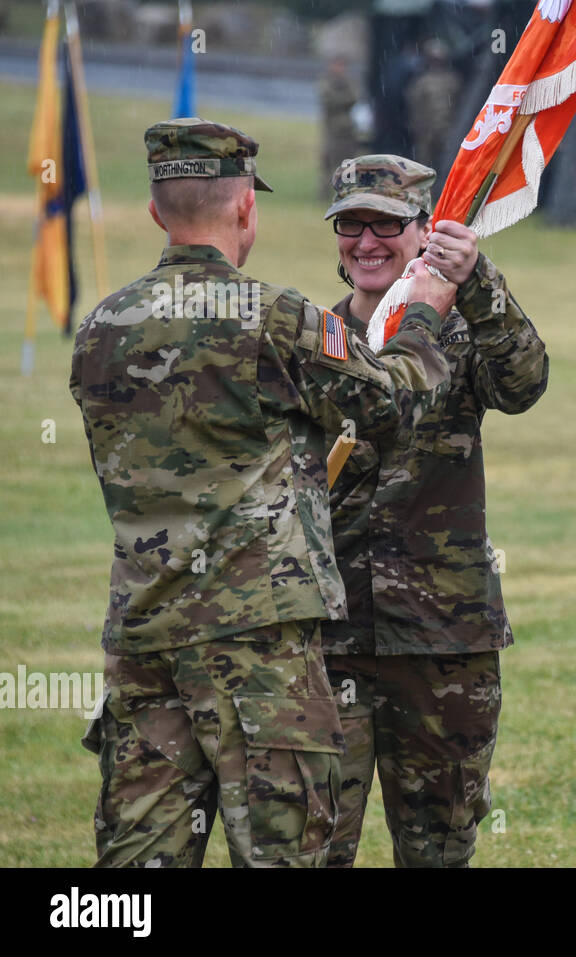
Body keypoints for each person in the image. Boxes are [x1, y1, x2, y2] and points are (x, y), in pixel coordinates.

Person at [69, 118, 456, 867]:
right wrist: (425, 314)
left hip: (145, 637)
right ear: (247, 207)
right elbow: (389, 407)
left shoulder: (99, 329)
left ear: (156, 211)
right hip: (262, 652)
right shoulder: (276, 318)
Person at [320, 155, 548, 867]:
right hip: (330, 639)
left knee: (438, 849)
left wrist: (476, 281)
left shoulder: (458, 333)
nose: (366, 242)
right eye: (350, 224)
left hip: (443, 639)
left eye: (385, 224)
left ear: (424, 230)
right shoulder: (310, 340)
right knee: (313, 844)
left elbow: (524, 381)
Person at [405, 39, 461, 172]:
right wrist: (419, 127)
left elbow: (459, 104)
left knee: (449, 163)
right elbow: (414, 106)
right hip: (426, 131)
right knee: (424, 165)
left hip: (448, 129)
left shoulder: (452, 80)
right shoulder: (421, 82)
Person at [319, 55, 360, 200]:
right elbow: (330, 100)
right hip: (332, 130)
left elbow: (354, 97)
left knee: (348, 163)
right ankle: (324, 194)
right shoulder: (327, 82)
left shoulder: (347, 83)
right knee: (328, 162)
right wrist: (344, 99)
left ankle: (348, 193)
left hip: (347, 130)